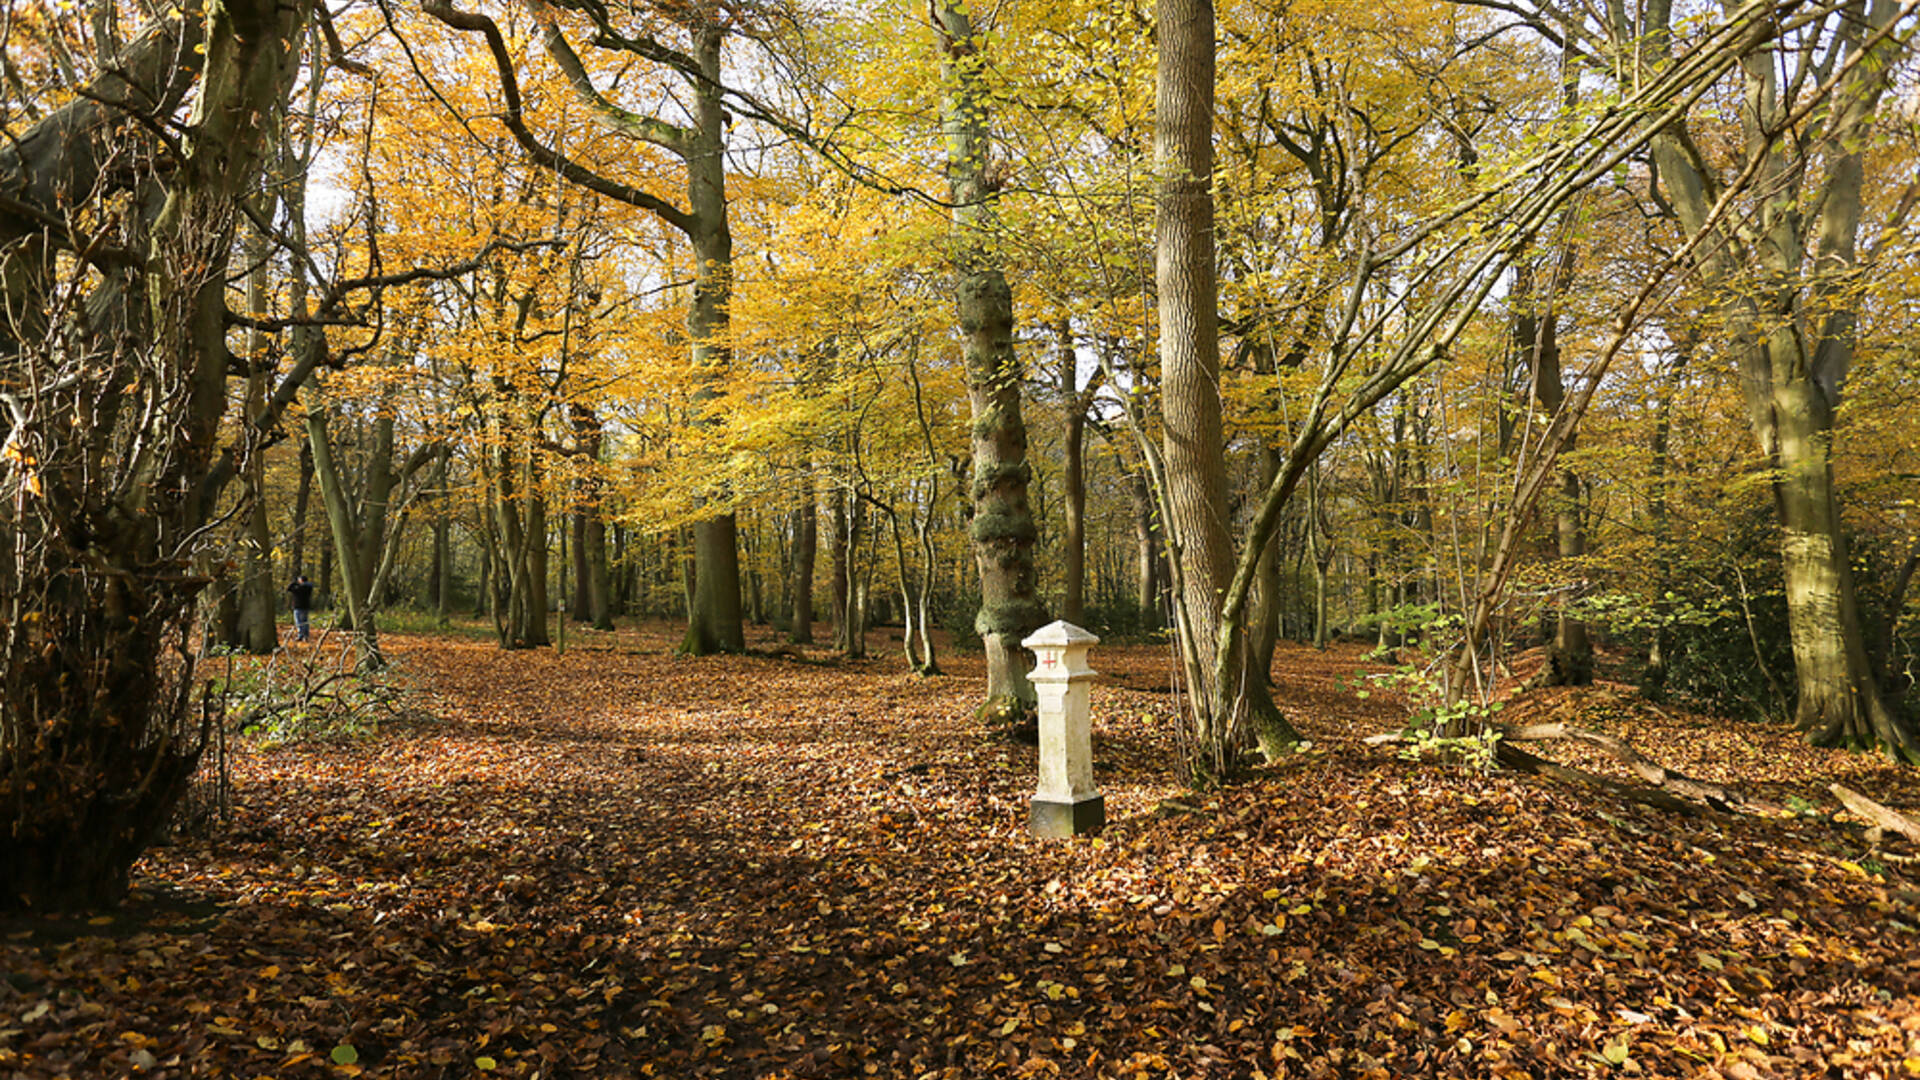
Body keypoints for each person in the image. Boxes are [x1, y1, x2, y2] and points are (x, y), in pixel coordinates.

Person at [286, 574, 315, 643]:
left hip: (298, 607)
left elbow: (288, 588)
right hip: (306, 606)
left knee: (299, 622)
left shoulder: (298, 588)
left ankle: (301, 635)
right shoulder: (309, 587)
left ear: (301, 580)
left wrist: (294, 582)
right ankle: (306, 635)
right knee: (305, 621)